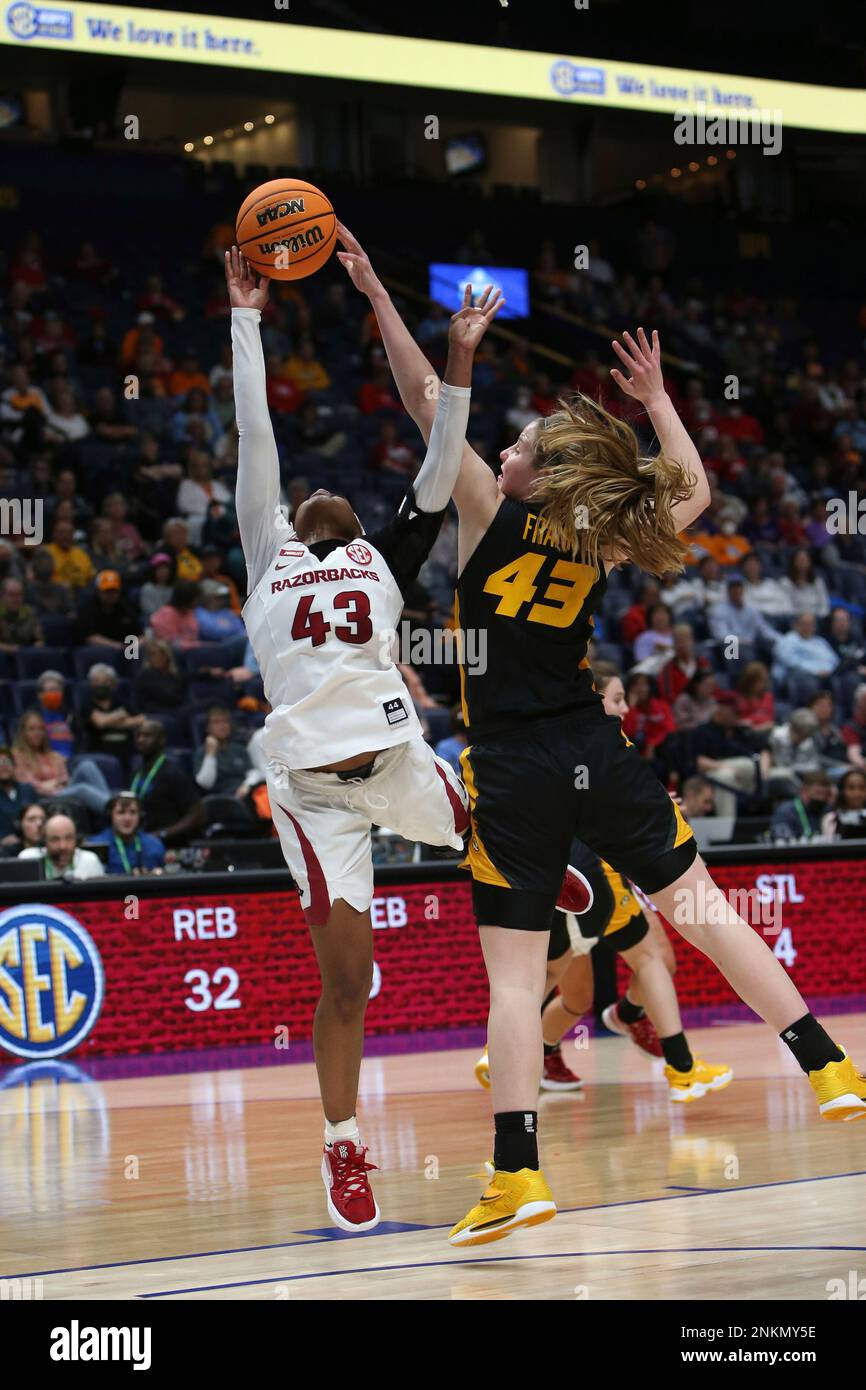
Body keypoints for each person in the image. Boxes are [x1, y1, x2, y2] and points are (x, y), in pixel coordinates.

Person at [339, 225, 866, 1252]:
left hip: (512, 763)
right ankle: (823, 1063)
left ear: (535, 472)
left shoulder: (490, 511)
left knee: (505, 980)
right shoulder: (594, 530)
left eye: (516, 445)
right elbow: (695, 493)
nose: (499, 450)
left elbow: (422, 405)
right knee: (705, 909)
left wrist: (373, 292)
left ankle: (517, 1173)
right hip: (597, 743)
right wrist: (660, 401)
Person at [228, 243, 499, 1234]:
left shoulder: (385, 557)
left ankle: (505, 846)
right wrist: (245, 318)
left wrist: (457, 364)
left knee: (502, 808)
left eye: (332, 499)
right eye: (306, 502)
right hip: (313, 795)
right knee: (346, 982)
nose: (316, 495)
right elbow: (255, 439)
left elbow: (437, 465)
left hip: (394, 765)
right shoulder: (267, 556)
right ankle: (343, 1149)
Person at [475, 671, 731, 1102]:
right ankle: (680, 1065)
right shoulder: (582, 742)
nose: (626, 709)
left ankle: (539, 1050)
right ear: (592, 700)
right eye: (617, 699)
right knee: (649, 958)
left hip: (565, 871)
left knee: (575, 988)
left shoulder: (582, 743)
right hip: (585, 872)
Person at [11, 710, 112, 815]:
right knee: (81, 789)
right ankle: (113, 809)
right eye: (31, 729)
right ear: (23, 733)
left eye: (40, 729)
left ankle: (112, 802)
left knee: (87, 766)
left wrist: (56, 782)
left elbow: (64, 778)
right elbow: (26, 784)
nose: (37, 733)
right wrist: (45, 785)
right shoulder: (17, 756)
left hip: (61, 789)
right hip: (43, 796)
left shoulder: (53, 756)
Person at [131, 720, 205, 846]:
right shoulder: (137, 771)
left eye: (147, 736)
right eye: (138, 735)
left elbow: (197, 814)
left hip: (170, 845)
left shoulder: (173, 772)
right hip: (143, 842)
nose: (141, 740)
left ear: (161, 739)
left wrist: (163, 834)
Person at [82, 663, 144, 767]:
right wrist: (120, 715)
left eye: (106, 681)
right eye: (97, 681)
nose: (101, 684)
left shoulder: (122, 701)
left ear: (113, 684)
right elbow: (100, 723)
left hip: (127, 748)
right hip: (100, 749)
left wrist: (108, 721)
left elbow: (141, 719)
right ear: (91, 684)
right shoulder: (87, 704)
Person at [89, 791, 166, 874]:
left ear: (141, 816)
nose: (127, 819)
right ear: (110, 816)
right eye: (121, 812)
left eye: (133, 812)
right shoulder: (95, 845)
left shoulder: (154, 844)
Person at [19, 812, 104, 880]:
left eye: (68, 838)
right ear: (44, 841)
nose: (62, 846)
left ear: (76, 839)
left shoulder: (90, 861)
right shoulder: (28, 860)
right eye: (55, 839)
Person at [194, 706, 253, 796]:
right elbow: (206, 784)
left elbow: (252, 773)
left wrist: (247, 785)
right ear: (207, 728)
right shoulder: (201, 752)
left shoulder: (239, 749)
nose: (222, 726)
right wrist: (210, 754)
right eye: (216, 722)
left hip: (245, 792)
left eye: (225, 721)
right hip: (220, 798)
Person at [769, 769, 835, 843]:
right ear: (804, 791)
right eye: (818, 793)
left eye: (826, 795)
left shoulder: (828, 810)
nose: (821, 799)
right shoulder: (786, 812)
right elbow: (781, 843)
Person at [0, 745, 36, 850]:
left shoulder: (27, 789)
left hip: (30, 845)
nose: (3, 766)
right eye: (0, 763)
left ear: (14, 766)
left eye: (7, 762)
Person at [0, 576, 44, 651]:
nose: (16, 599)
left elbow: (40, 640)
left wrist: (34, 648)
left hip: (26, 656)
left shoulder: (30, 613)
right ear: (1, 595)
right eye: (11, 595)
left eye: (19, 594)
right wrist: (12, 649)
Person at [823, 768, 866, 840]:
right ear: (842, 791)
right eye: (851, 788)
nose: (857, 793)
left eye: (862, 788)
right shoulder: (831, 819)